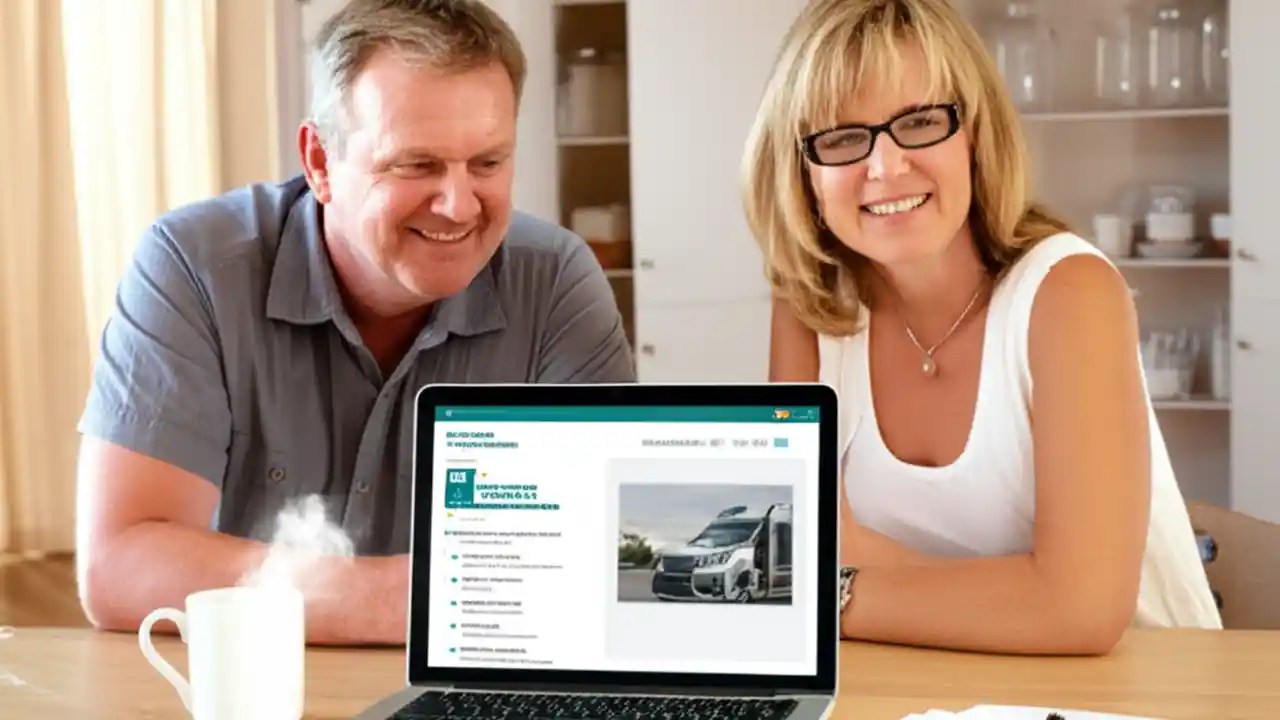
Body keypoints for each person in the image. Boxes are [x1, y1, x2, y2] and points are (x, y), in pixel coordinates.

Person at [75, 0, 634, 646]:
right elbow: (119, 566)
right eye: (415, 164)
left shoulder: (556, 282)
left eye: (487, 163)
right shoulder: (194, 267)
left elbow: (595, 564)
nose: (458, 205)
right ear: (319, 161)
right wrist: (432, 599)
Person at [742, 0, 1221, 656]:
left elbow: (1080, 613)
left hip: (1131, 690)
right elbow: (799, 555)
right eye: (843, 137)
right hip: (927, 679)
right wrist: (1023, 594)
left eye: (918, 122)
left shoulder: (1069, 292)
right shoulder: (809, 305)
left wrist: (837, 589)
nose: (884, 168)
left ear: (975, 134)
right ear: (803, 172)